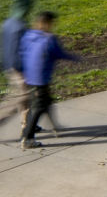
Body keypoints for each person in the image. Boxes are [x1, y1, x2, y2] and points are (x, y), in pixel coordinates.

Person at [18, 10, 77, 148]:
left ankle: (54, 127)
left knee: (45, 102)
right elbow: (59, 53)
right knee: (38, 108)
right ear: (48, 23)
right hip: (41, 78)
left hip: (30, 76)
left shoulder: (28, 35)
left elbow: (22, 52)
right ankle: (27, 138)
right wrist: (76, 58)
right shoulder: (49, 39)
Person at [0, 0, 32, 140]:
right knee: (21, 97)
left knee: (25, 99)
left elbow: (3, 47)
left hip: (9, 67)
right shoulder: (20, 26)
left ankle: (28, 125)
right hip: (19, 69)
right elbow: (21, 50)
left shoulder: (7, 24)